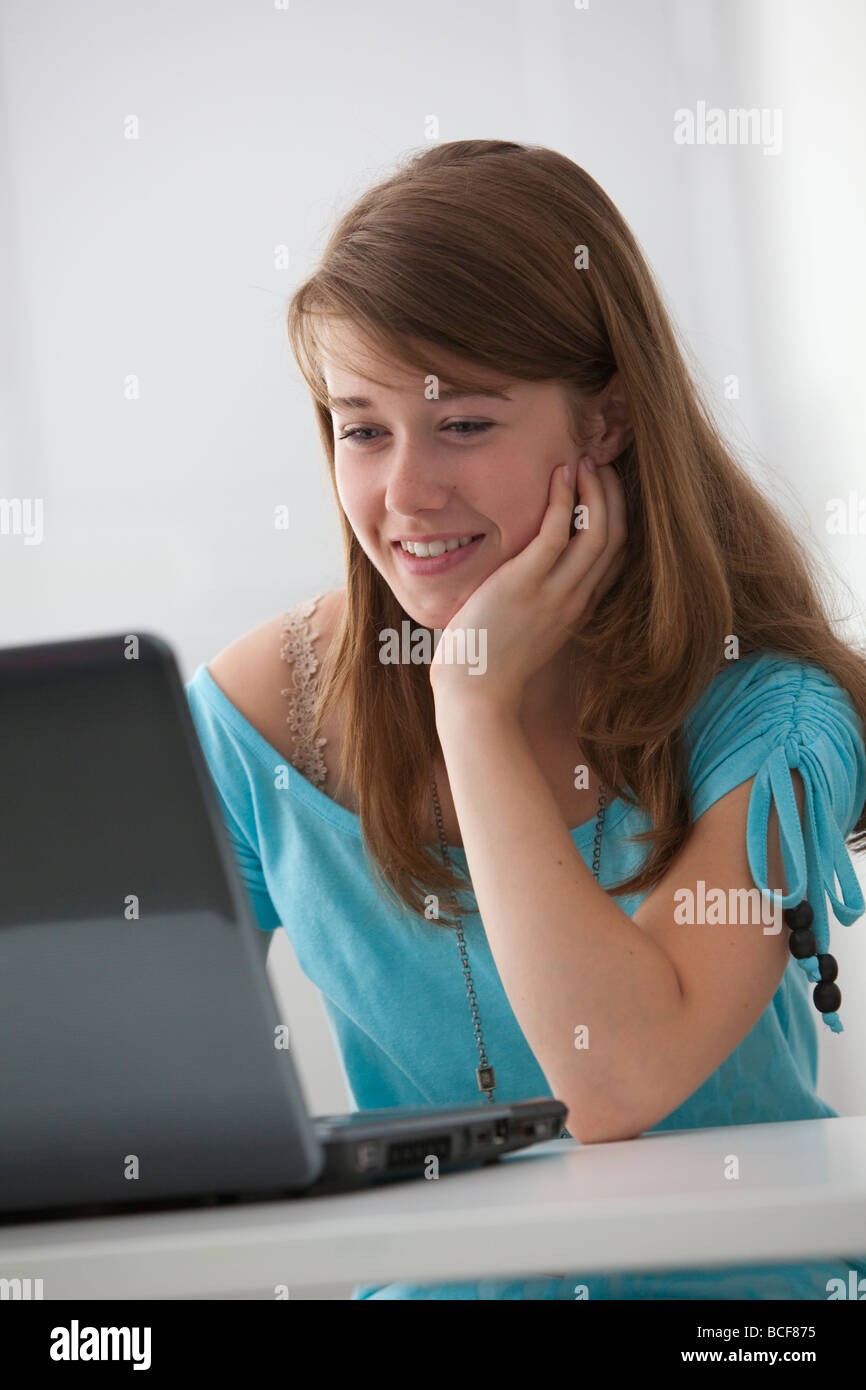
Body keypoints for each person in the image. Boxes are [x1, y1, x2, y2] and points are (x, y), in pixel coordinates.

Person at [185, 140, 866, 1299]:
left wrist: (472, 700)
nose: (404, 496)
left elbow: (616, 1082)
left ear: (601, 423)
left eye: (462, 426)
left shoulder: (772, 709)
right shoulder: (264, 717)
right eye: (361, 427)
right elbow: (156, 1117)